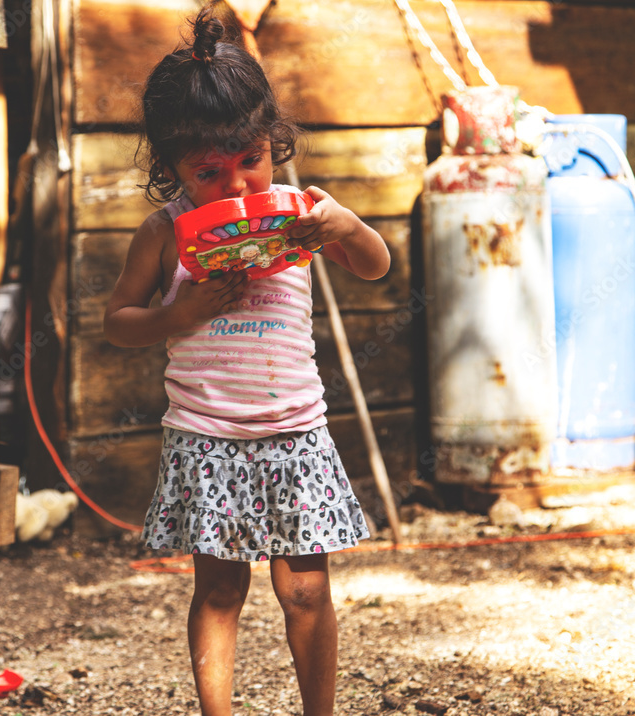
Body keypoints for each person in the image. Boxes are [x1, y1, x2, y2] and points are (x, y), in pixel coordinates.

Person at [102, 5, 390, 716]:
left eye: (251, 162)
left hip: (295, 431)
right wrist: (177, 316)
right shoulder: (163, 233)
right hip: (207, 437)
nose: (236, 187)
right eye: (209, 172)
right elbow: (118, 322)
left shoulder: (298, 212)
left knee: (307, 590)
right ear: (170, 168)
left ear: (273, 144)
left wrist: (346, 223)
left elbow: (376, 265)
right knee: (220, 591)